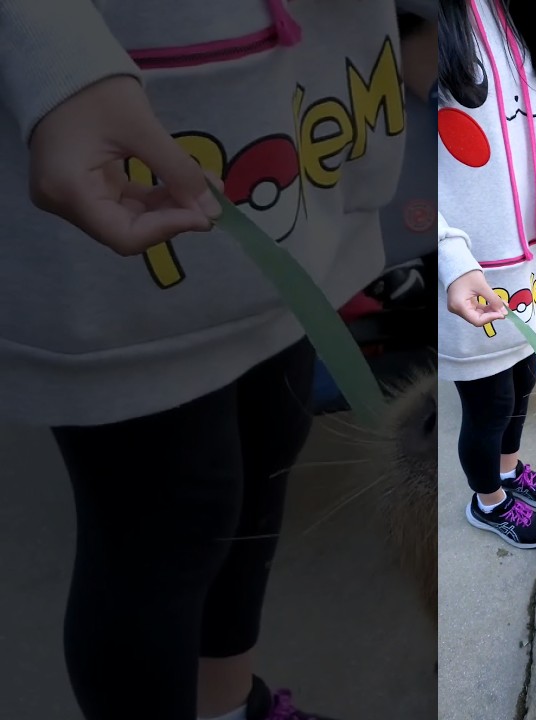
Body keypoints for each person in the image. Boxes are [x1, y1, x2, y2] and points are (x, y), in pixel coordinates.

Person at [0, 1, 407, 719]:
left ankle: (228, 707)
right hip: (117, 118)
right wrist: (46, 50)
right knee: (171, 513)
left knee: (270, 440)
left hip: (304, 106)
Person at [437, 0, 536, 549]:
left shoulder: (524, 12)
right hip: (468, 275)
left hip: (531, 266)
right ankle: (488, 501)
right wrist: (449, 259)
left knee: (523, 381)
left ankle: (508, 468)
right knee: (490, 403)